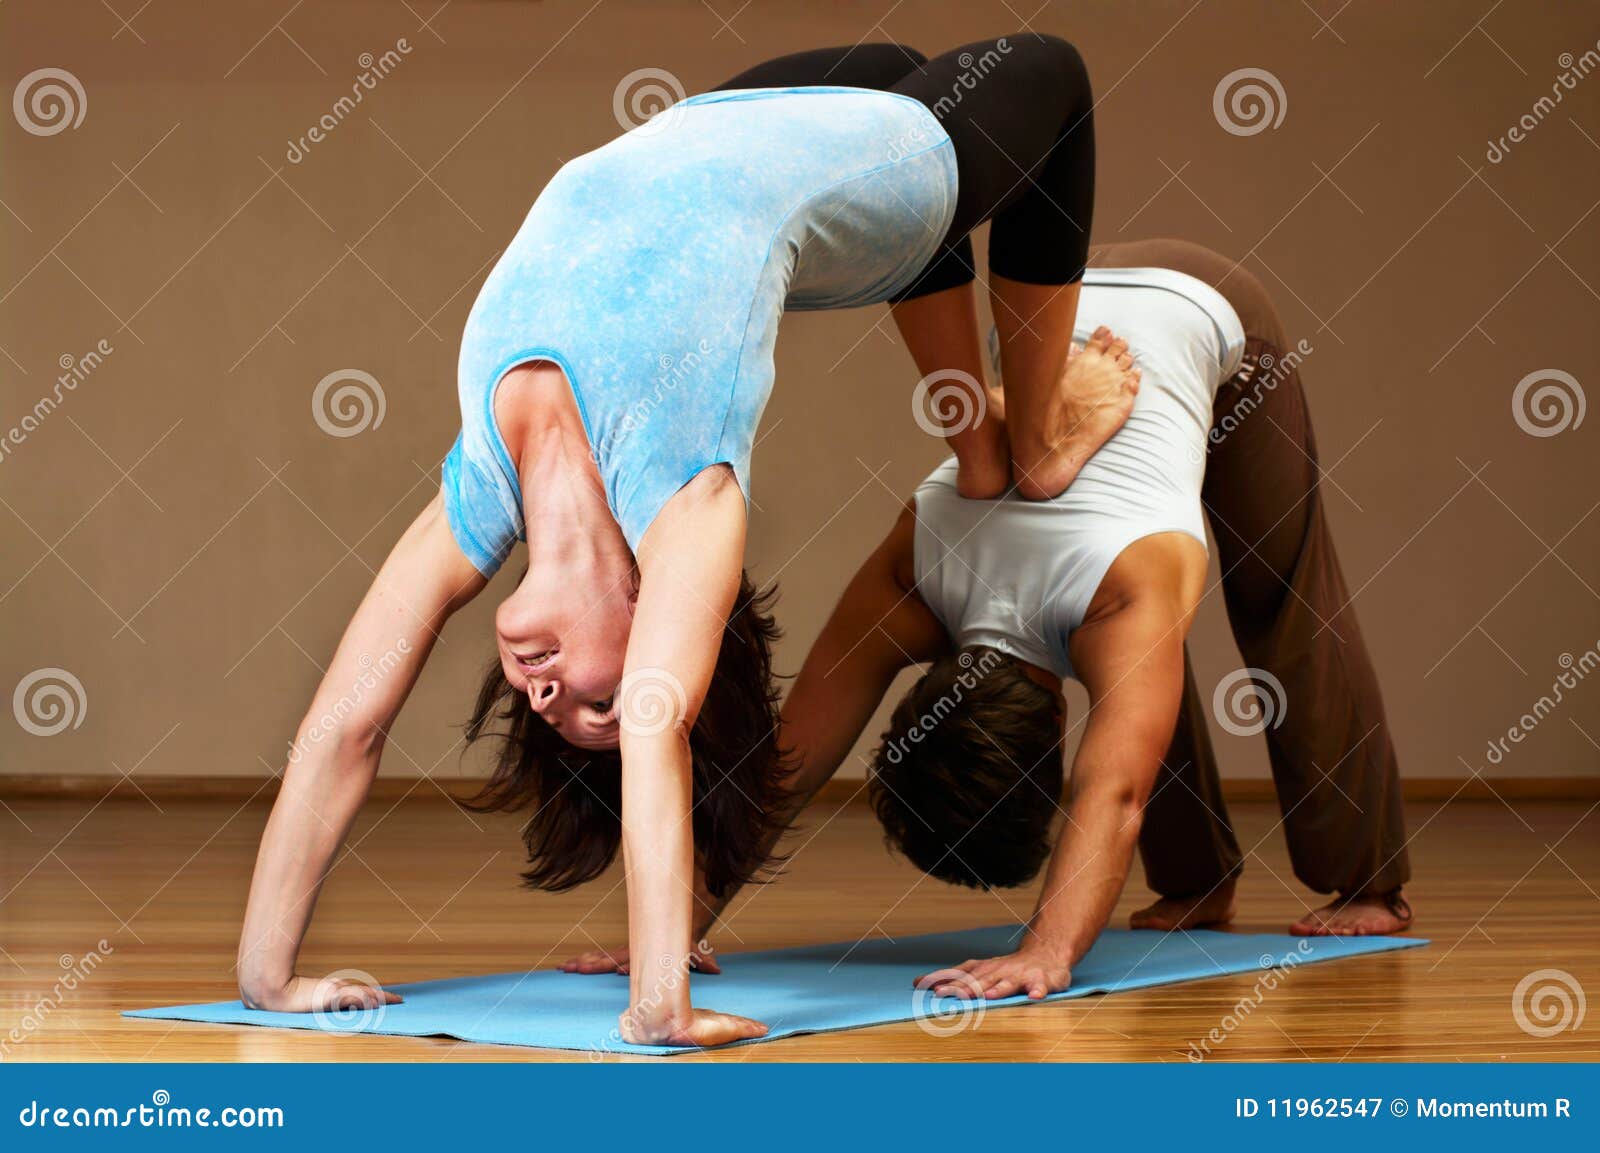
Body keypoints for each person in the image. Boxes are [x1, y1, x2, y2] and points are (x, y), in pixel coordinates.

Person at [235, 36, 1138, 1046]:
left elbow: (343, 726)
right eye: (598, 704)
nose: (543, 693)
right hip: (838, 191)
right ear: (654, 616)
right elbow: (660, 725)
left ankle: (977, 454)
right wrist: (658, 1004)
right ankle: (1035, 445)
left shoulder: (480, 490)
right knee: (1054, 75)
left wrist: (268, 978)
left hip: (710, 126)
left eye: (544, 708)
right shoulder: (688, 497)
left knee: (892, 60)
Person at [566, 240, 1414, 1003]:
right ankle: (1199, 880)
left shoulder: (1062, 593)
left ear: (1059, 728)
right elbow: (787, 763)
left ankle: (1368, 880)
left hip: (1203, 307)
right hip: (1057, 298)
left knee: (1278, 593)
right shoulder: (921, 578)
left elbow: (1115, 792)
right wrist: (673, 929)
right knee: (1136, 680)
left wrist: (1048, 951)